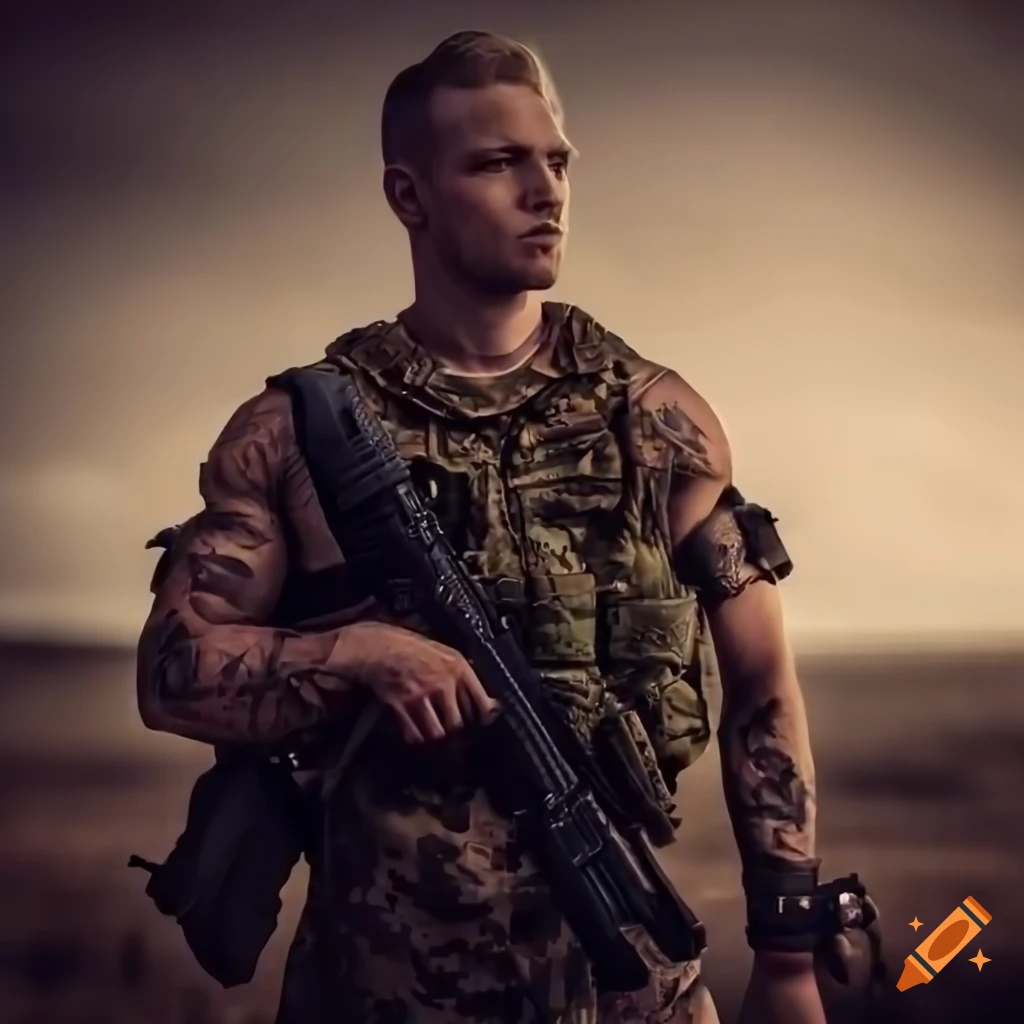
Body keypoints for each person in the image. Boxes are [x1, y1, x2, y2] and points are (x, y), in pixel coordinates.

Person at [137, 30, 828, 1024]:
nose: (545, 191)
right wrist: (361, 652)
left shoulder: (656, 420)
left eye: (555, 161)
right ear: (408, 196)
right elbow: (170, 672)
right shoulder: (299, 432)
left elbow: (760, 684)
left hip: (626, 980)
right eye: (499, 162)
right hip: (378, 989)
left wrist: (791, 951)